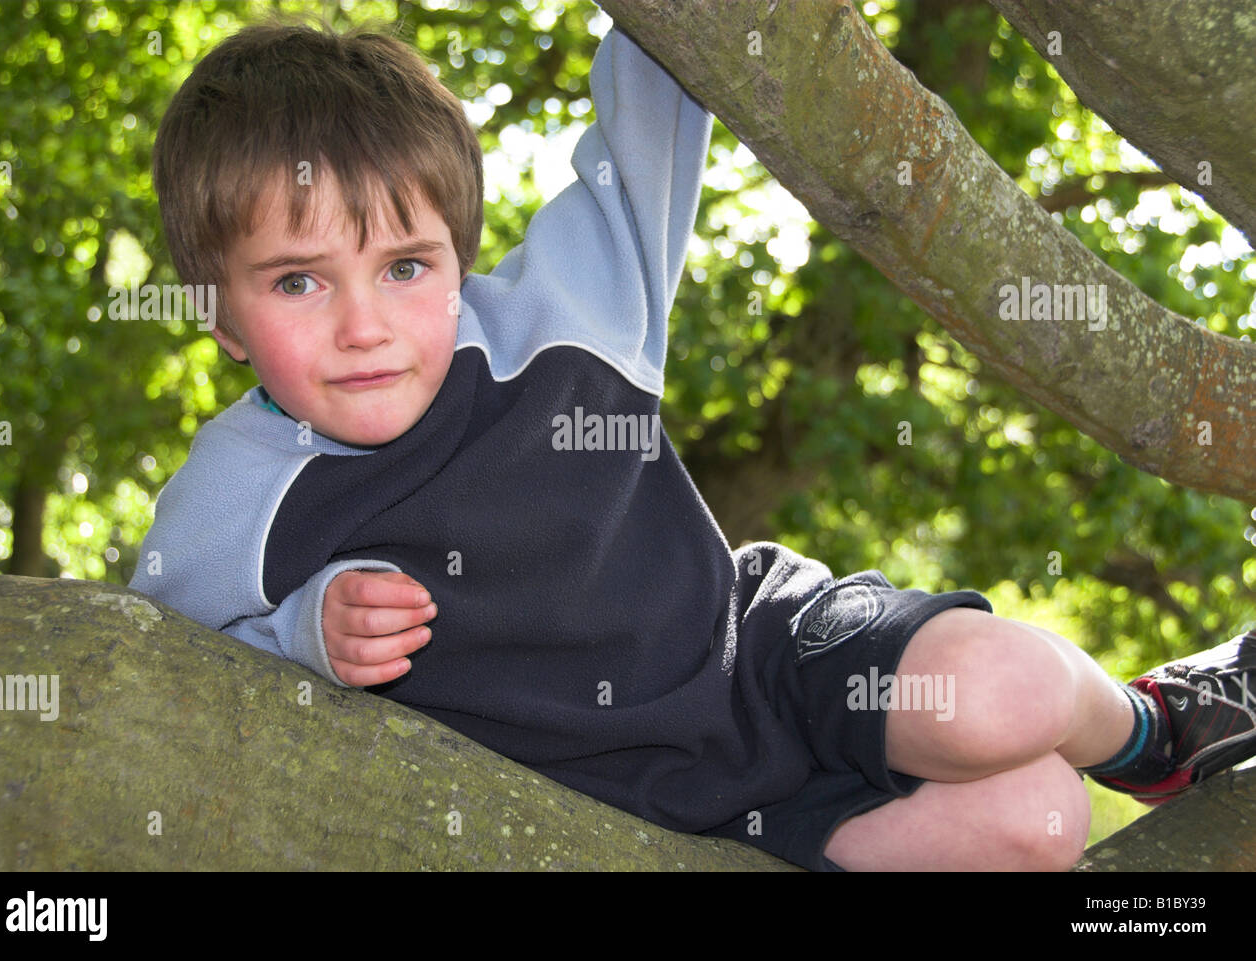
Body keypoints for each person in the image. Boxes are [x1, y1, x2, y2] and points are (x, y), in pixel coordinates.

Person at [130, 12, 1256, 871]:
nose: (363, 323)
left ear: (459, 258)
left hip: (767, 659)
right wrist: (301, 635)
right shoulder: (229, 500)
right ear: (219, 315)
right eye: (295, 281)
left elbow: (667, 66)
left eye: (406, 265)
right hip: (677, 806)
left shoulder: (567, 315)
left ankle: (1156, 726)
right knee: (1039, 822)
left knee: (1001, 698)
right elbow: (165, 669)